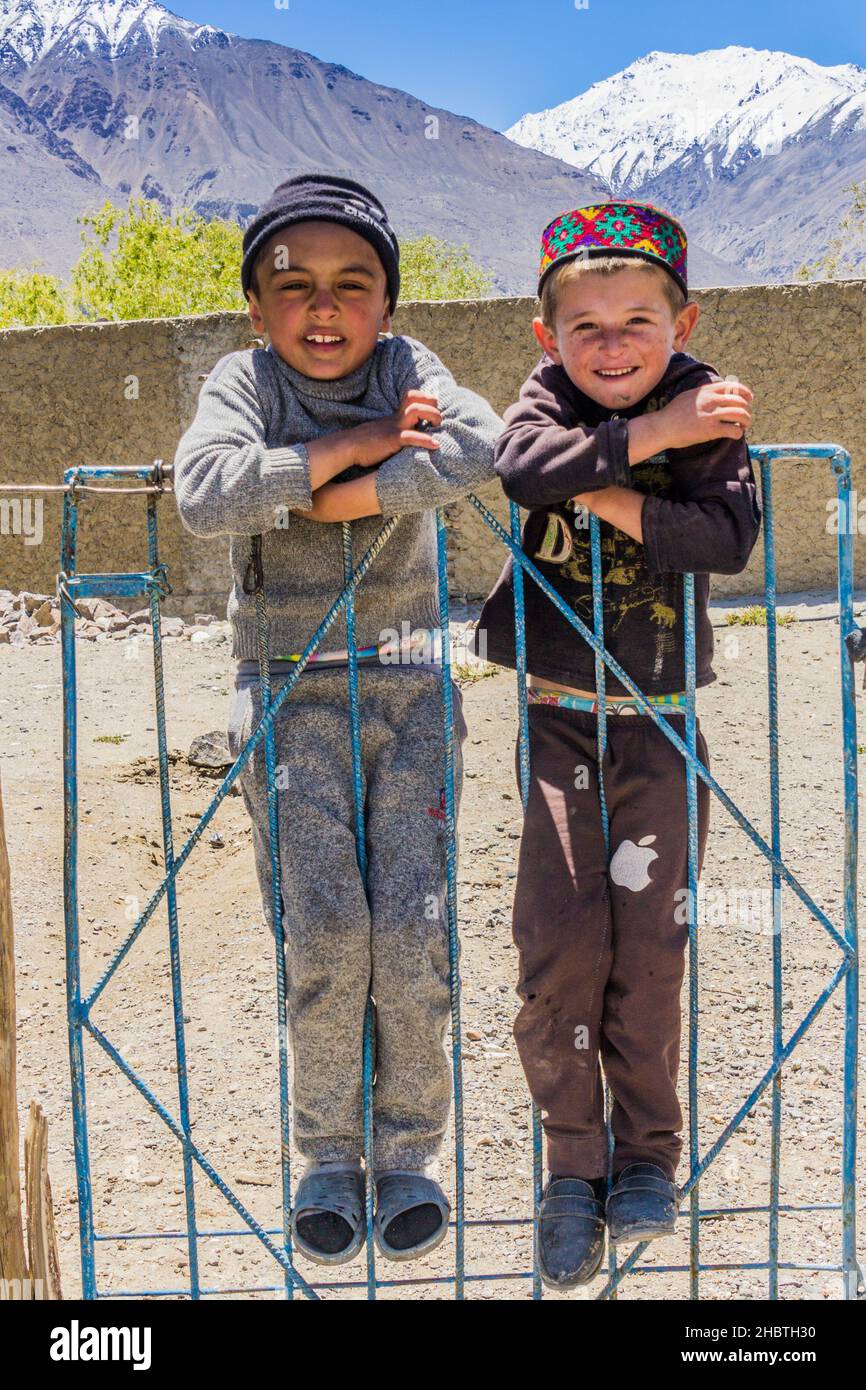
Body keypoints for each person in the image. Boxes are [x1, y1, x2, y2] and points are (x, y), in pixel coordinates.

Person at [173, 173, 502, 1267]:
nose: (324, 308)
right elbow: (207, 492)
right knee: (324, 931)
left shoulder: (412, 369)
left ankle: (407, 1152)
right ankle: (326, 1152)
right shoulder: (243, 380)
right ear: (257, 310)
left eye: (352, 285)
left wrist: (328, 497)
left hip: (409, 690)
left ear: (388, 305)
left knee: (410, 933)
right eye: (294, 285)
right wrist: (350, 447)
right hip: (286, 691)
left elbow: (475, 449)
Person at [471, 202, 761, 1288]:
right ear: (547, 337)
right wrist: (644, 449)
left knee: (648, 950)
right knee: (558, 946)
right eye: (583, 325)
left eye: (636, 320)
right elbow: (519, 469)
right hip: (557, 718)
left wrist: (604, 489)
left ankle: (646, 1159)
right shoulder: (541, 403)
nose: (610, 344)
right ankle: (569, 1169)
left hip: (661, 727)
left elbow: (722, 539)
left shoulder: (710, 405)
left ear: (680, 321)